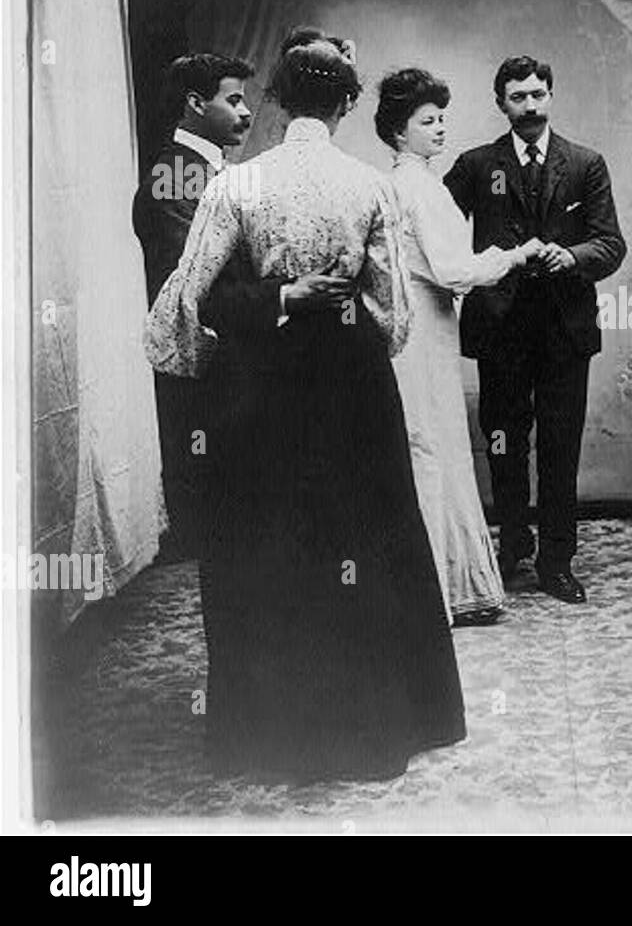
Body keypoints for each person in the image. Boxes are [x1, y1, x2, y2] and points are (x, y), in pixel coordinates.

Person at [144, 41, 465, 781]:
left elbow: (190, 297)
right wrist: (344, 322)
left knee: (269, 542)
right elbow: (392, 317)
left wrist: (257, 317)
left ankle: (270, 732)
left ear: (280, 101)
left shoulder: (237, 183)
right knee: (362, 536)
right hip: (351, 381)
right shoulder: (369, 186)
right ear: (348, 105)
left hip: (260, 386)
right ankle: (373, 724)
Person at [444, 56, 626, 604]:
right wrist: (485, 264)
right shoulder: (476, 166)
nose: (529, 105)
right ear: (500, 103)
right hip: (499, 329)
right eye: (517, 97)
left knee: (559, 444)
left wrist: (570, 257)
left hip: (564, 331)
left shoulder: (585, 164)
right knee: (503, 441)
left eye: (537, 94)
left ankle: (557, 560)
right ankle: (513, 543)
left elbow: (611, 244)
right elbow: (440, 235)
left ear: (551, 96)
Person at [376, 68, 540, 627]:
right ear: (399, 132)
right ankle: (436, 593)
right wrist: (513, 256)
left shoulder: (403, 182)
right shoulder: (417, 187)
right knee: (432, 446)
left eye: (442, 118)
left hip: (423, 324)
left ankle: (445, 587)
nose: (440, 128)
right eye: (427, 121)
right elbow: (450, 270)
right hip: (422, 325)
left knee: (431, 444)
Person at [131, 54, 281, 566]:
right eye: (233, 99)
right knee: (211, 501)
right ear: (195, 104)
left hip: (234, 349)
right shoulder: (174, 174)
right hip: (205, 356)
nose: (244, 111)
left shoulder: (216, 171)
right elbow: (191, 282)